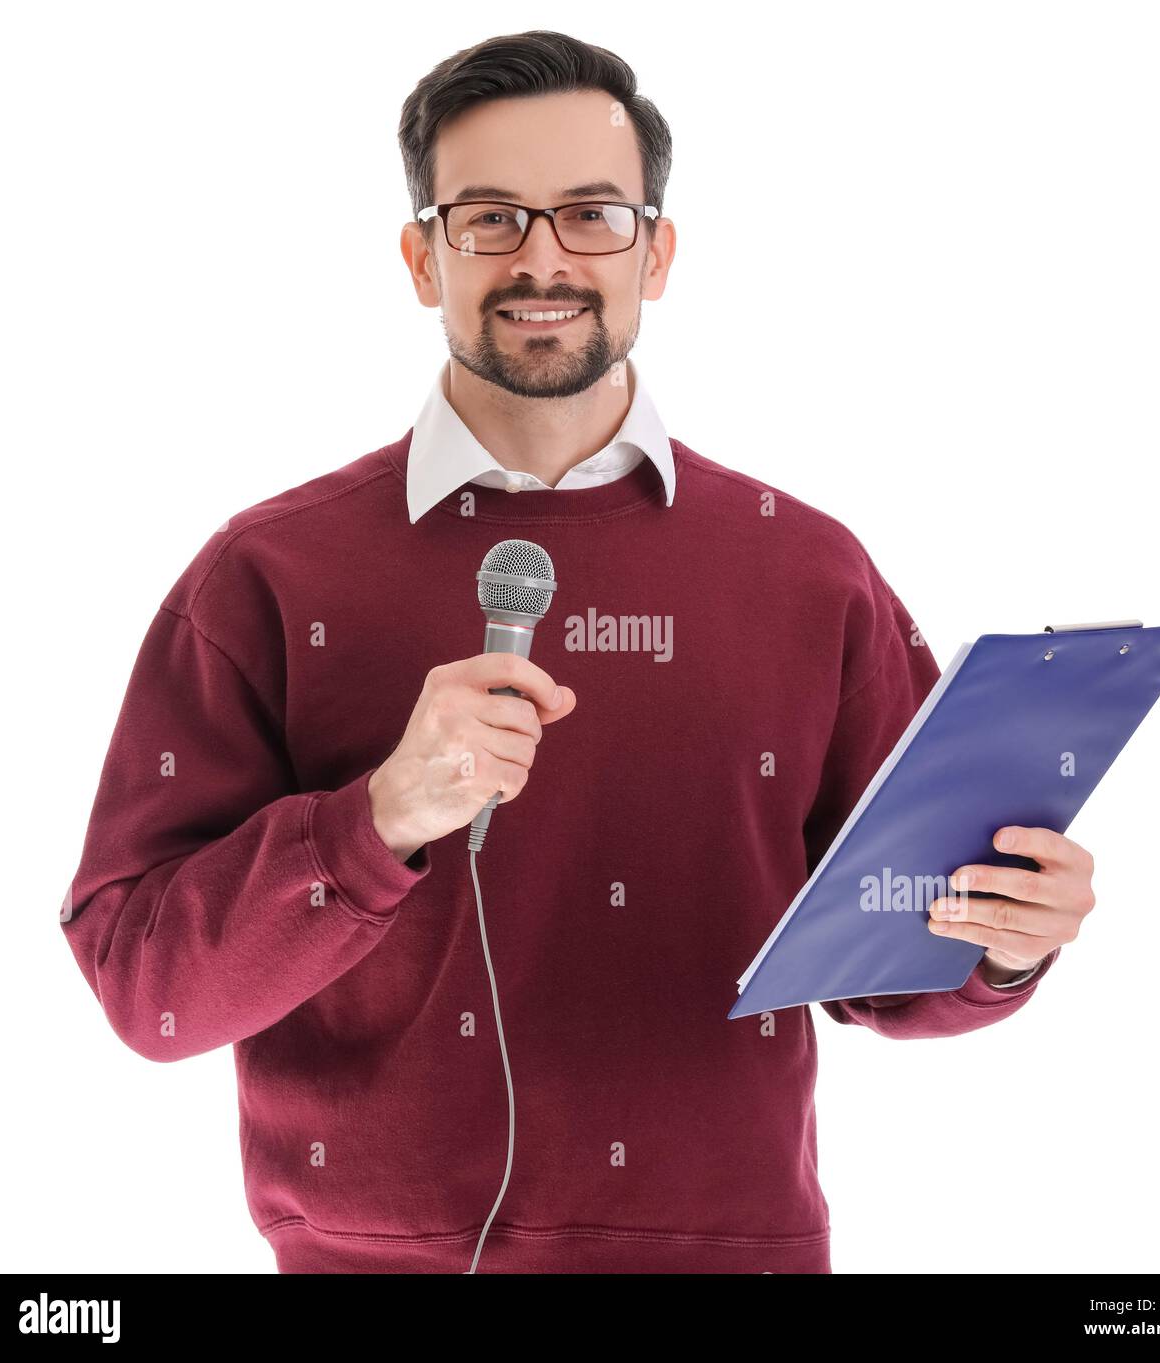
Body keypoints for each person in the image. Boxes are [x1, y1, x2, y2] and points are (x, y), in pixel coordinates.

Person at [61, 29, 1097, 1274]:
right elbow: (144, 984)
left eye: (591, 214)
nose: (541, 257)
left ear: (655, 252)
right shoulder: (266, 576)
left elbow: (885, 962)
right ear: (421, 256)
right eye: (488, 217)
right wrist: (377, 818)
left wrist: (1004, 938)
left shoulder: (807, 568)